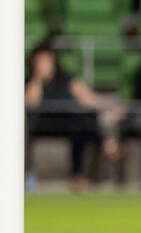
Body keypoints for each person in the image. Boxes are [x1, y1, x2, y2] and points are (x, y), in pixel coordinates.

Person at [25, 40, 118, 192]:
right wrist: (38, 78)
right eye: (40, 60)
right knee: (81, 121)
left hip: (69, 123)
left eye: (47, 60)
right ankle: (107, 143)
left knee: (83, 120)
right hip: (42, 124)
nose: (44, 64)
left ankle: (79, 174)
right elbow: (31, 102)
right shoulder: (30, 81)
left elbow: (89, 99)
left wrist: (111, 106)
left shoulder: (67, 80)